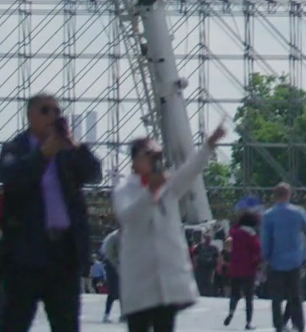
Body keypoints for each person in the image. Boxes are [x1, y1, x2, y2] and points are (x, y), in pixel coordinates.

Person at [0, 93, 104, 332]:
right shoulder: (15, 148)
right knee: (15, 323)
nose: (52, 116)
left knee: (66, 324)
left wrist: (76, 146)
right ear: (30, 115)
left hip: (63, 254)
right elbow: (12, 180)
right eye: (45, 111)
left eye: (57, 111)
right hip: (25, 253)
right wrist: (43, 154)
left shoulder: (67, 151)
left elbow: (94, 173)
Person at [111, 123, 224, 332]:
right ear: (135, 160)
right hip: (139, 279)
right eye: (149, 155)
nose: (155, 160)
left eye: (158, 155)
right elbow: (127, 216)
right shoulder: (125, 188)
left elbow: (190, 171)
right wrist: (150, 193)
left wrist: (209, 145)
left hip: (166, 281)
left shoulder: (168, 186)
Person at [261, 184, 306, 332]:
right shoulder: (298, 212)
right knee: (296, 295)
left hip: (276, 261)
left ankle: (279, 325)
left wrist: (265, 258)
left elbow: (266, 240)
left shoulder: (268, 215)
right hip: (295, 260)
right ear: (289, 194)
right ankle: (298, 324)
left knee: (276, 297)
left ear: (275, 195)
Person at [224, 211, 261, 328]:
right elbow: (257, 250)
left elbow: (232, 231)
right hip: (248, 269)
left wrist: (238, 222)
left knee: (234, 293)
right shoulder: (252, 234)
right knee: (249, 297)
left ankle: (231, 312)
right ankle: (248, 322)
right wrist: (257, 264)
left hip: (235, 267)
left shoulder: (234, 232)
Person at [100, 228, 123, 323]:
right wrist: (117, 266)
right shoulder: (113, 237)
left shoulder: (126, 236)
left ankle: (124, 314)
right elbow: (109, 255)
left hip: (121, 265)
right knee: (113, 291)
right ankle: (106, 314)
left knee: (122, 292)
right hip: (111, 265)